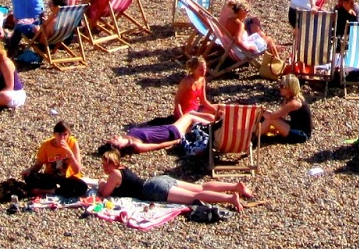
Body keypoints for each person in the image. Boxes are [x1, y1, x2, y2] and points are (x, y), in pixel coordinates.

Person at [92, 148, 256, 211]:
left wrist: (100, 183)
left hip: (153, 190)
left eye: (105, 165)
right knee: (199, 187)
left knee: (193, 198)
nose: (104, 168)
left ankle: (230, 198)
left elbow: (105, 194)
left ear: (112, 164)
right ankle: (235, 186)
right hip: (159, 180)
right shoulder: (122, 168)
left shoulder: (114, 174)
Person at [256, 75, 312, 143]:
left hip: (302, 134)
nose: (280, 88)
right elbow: (281, 115)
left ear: (290, 88)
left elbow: (272, 116)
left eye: (282, 86)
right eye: (280, 85)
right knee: (270, 116)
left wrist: (262, 112)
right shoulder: (288, 99)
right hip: (295, 126)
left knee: (271, 119)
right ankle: (255, 134)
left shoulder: (294, 103)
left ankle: (254, 137)